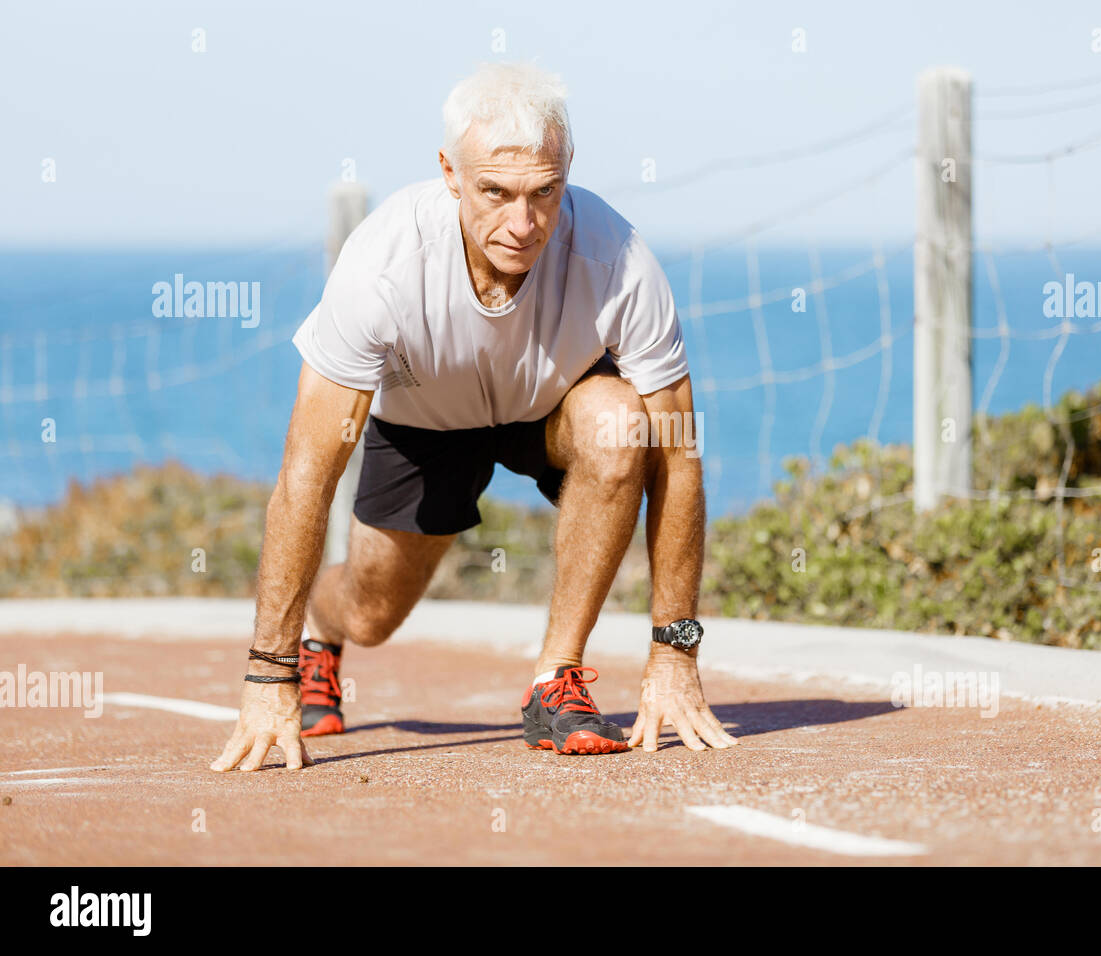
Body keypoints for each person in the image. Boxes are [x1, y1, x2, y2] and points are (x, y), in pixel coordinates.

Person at [210, 60, 737, 771]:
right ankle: (317, 639)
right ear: (450, 172)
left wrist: (675, 654)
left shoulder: (618, 258)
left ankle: (557, 681)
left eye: (545, 193)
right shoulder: (383, 267)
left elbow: (679, 453)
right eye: (495, 191)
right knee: (370, 612)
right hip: (425, 422)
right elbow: (307, 473)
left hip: (550, 407)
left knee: (624, 425)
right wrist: (267, 674)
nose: (522, 224)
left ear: (568, 169)